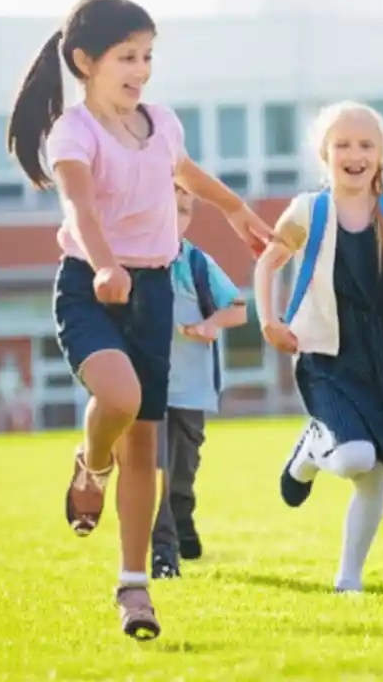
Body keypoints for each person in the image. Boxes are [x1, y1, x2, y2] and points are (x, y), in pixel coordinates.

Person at [7, 0, 270, 639]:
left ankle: (134, 587)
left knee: (146, 445)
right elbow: (81, 206)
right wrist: (103, 265)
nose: (141, 69)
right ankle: (91, 464)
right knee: (119, 398)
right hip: (91, 287)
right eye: (127, 57)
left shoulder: (161, 121)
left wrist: (236, 210)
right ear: (85, 61)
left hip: (152, 289)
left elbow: (185, 172)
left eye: (148, 56)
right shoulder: (74, 132)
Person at [256, 101, 383, 593]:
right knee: (355, 457)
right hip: (325, 357)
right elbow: (267, 263)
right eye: (343, 144)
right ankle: (313, 448)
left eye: (366, 145)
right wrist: (269, 319)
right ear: (325, 153)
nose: (355, 154)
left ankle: (349, 578)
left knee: (378, 469)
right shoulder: (308, 210)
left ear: (381, 155)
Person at [151, 185, 248, 579]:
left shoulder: (196, 263)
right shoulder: (132, 261)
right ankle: (163, 553)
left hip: (191, 390)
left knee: (181, 474)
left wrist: (210, 324)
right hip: (147, 391)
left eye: (184, 210)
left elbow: (238, 310)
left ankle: (182, 516)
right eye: (168, 208)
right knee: (156, 469)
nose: (176, 218)